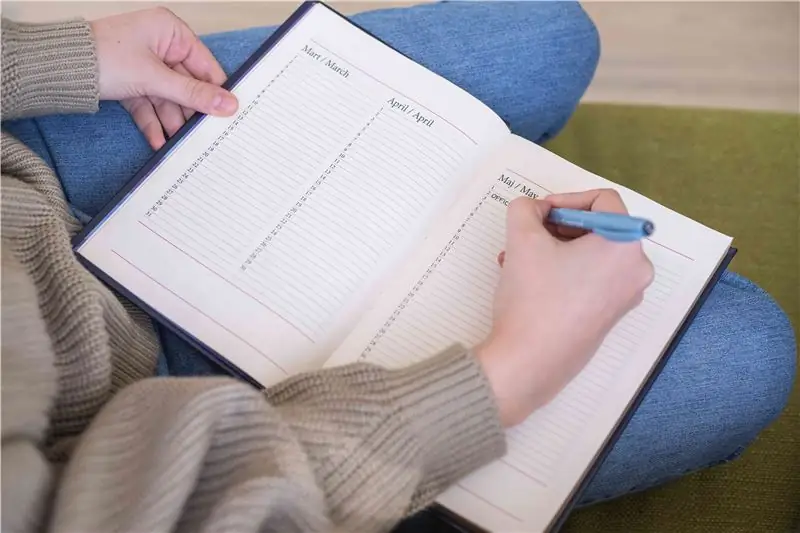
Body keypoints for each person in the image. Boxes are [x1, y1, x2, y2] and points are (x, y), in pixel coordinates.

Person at [0, 3, 794, 533]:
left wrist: (42, 58)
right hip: (153, 434)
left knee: (548, 27)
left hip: (27, 171)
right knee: (752, 353)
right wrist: (505, 377)